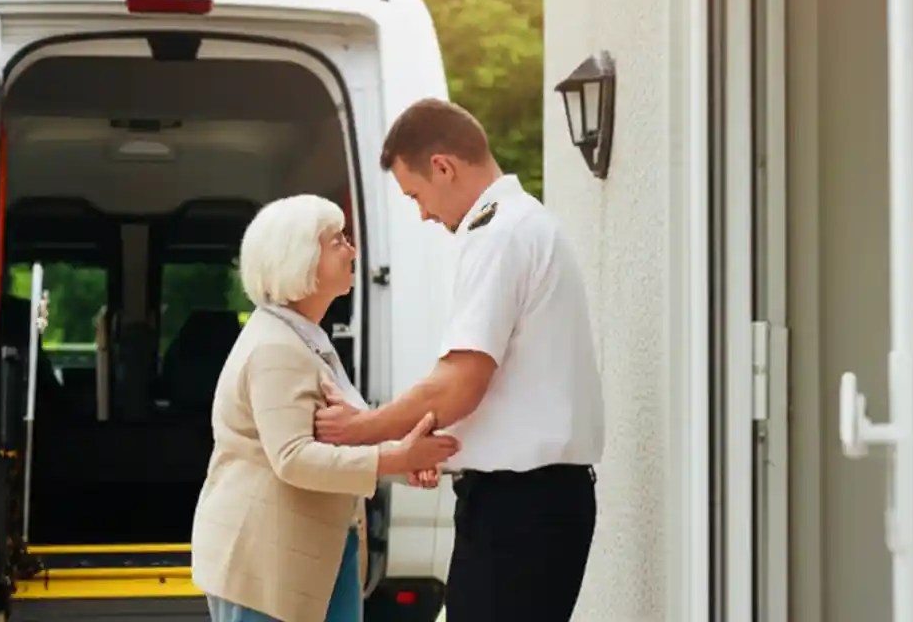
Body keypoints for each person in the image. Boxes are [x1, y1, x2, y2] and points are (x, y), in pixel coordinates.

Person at [314, 99, 605, 621]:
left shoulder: (497, 234)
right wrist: (432, 448)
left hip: (519, 511)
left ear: (443, 167)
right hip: (534, 505)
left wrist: (360, 429)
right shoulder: (525, 224)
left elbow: (458, 384)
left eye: (416, 195)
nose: (422, 213)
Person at [191, 194, 460, 622]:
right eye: (337, 241)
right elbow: (294, 458)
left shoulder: (302, 338)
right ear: (297, 257)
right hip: (268, 567)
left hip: (315, 555)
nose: (352, 250)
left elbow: (335, 440)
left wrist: (401, 464)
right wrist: (396, 457)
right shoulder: (276, 348)